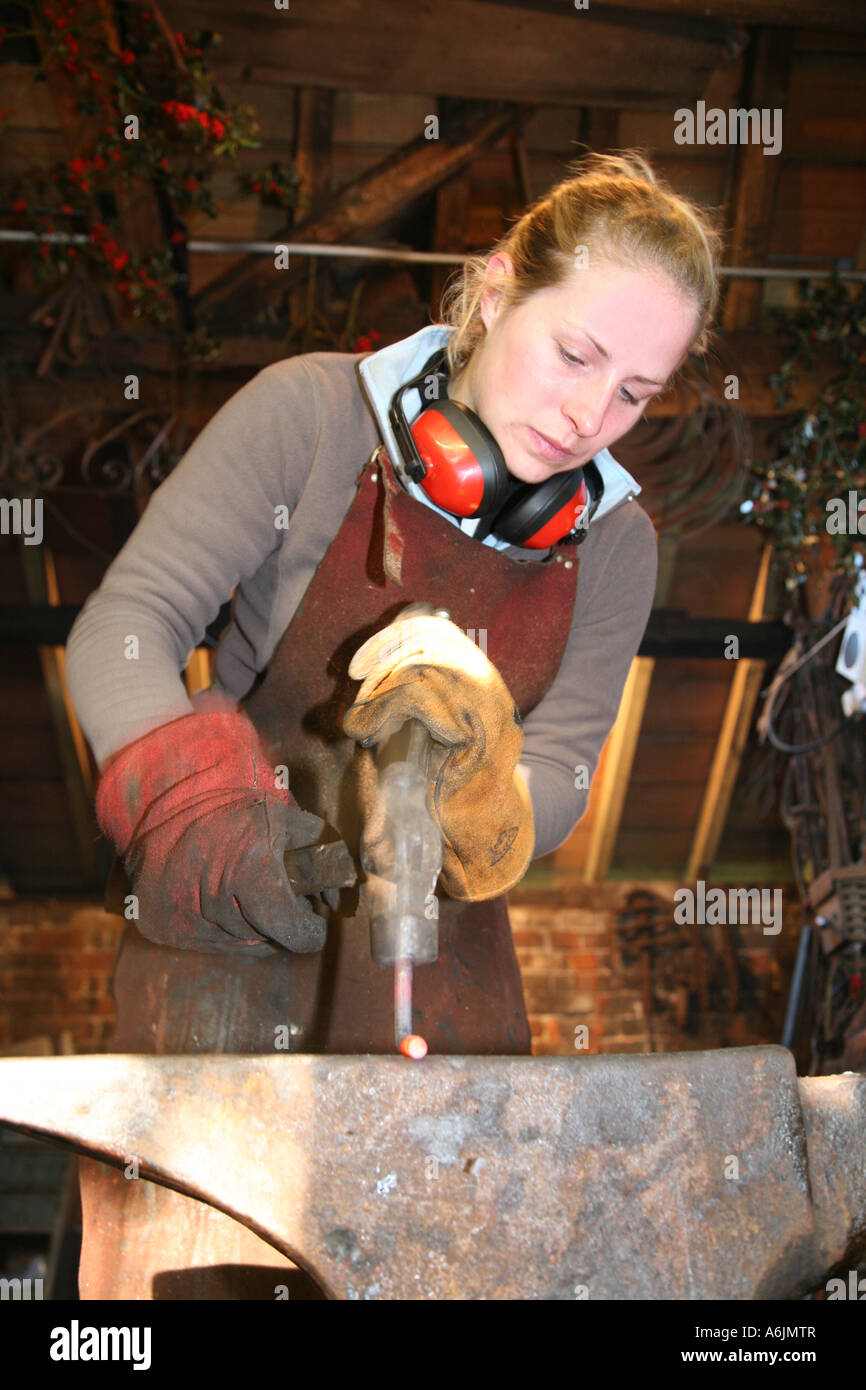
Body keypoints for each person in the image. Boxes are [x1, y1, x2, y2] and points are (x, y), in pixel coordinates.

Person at [64, 150, 721, 1296]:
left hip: (443, 983)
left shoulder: (617, 543)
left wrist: (489, 800)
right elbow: (126, 625)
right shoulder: (312, 417)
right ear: (501, 286)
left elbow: (563, 761)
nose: (586, 416)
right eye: (574, 354)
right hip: (221, 957)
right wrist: (202, 809)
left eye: (633, 393)